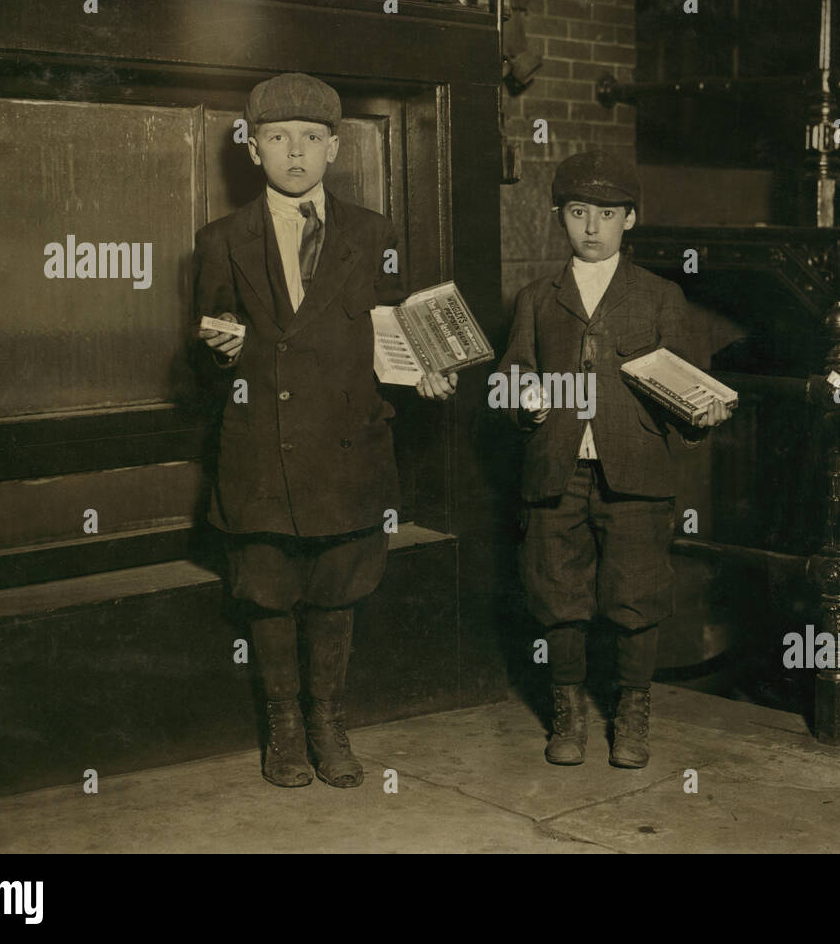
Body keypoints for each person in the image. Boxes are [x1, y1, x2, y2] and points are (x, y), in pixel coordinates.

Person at [195, 72, 455, 788]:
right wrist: (215, 347)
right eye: (278, 138)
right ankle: (282, 732)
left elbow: (396, 326)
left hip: (346, 446)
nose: (296, 152)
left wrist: (426, 369)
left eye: (311, 138)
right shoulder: (221, 239)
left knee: (338, 590)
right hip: (260, 448)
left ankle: (329, 725)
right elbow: (210, 342)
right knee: (270, 592)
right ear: (253, 151)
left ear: (335, 148)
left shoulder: (374, 233)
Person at [498, 150, 731, 768]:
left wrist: (703, 412)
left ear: (630, 220)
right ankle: (567, 711)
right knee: (558, 595)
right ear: (559, 217)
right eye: (578, 213)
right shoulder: (536, 298)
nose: (592, 227)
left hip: (636, 474)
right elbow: (510, 373)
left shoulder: (659, 296)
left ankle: (633, 712)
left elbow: (688, 385)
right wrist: (524, 396)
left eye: (607, 213)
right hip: (556, 471)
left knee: (636, 597)